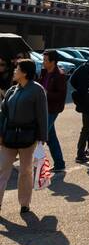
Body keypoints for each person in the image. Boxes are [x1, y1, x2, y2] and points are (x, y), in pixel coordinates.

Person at [0, 58, 49, 220]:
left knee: (25, 171)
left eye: (17, 69)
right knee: (2, 169)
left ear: (25, 73)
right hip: (9, 136)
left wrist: (43, 138)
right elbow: (3, 114)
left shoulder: (37, 90)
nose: (14, 71)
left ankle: (24, 203)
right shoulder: (12, 90)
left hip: (28, 137)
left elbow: (42, 115)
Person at [38, 49, 68, 177]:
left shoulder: (59, 75)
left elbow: (61, 96)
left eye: (45, 60)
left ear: (53, 62)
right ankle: (60, 164)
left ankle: (34, 166)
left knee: (41, 136)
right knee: (50, 138)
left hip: (52, 110)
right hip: (43, 109)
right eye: (43, 59)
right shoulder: (44, 73)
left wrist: (46, 93)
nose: (43, 62)